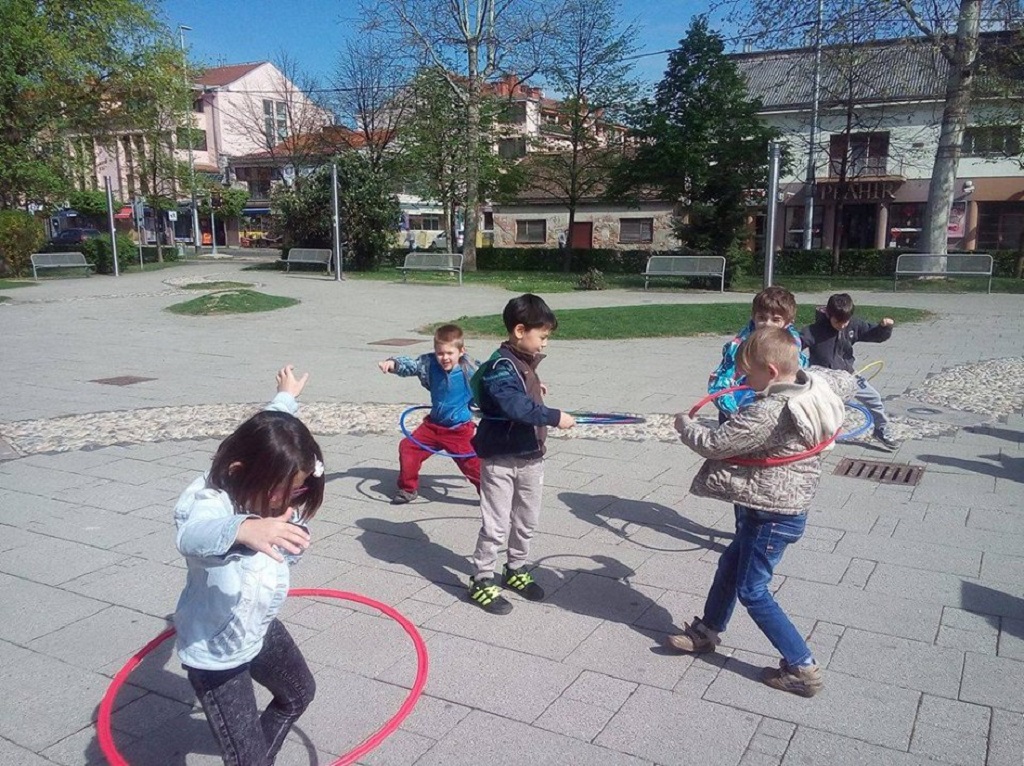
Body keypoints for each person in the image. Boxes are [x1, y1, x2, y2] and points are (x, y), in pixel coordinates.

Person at [670, 328, 857, 697]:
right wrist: (856, 378)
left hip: (774, 513)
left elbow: (716, 443)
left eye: (747, 374)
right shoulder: (816, 381)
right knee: (730, 564)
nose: (742, 381)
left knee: (753, 590)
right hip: (770, 506)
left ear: (771, 372)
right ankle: (708, 630)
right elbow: (847, 380)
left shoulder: (767, 411)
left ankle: (802, 667)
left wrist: (684, 425)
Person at [173, 365, 325, 766]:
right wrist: (244, 529)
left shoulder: (256, 461)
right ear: (243, 473)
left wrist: (285, 397)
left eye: (299, 490)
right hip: (217, 650)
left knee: (299, 693)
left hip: (259, 623)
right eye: (283, 492)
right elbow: (191, 535)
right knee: (248, 760)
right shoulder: (209, 499)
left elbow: (272, 428)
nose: (288, 503)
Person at [467, 294, 575, 614]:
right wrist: (554, 416)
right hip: (501, 459)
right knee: (496, 524)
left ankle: (515, 568)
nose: (545, 344)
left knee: (526, 520)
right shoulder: (501, 366)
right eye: (541, 337)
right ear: (519, 330)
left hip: (531, 457)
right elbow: (512, 405)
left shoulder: (524, 364)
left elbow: (520, 396)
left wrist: (534, 389)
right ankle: (482, 579)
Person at [378, 324, 481, 504]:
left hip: (459, 430)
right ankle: (407, 489)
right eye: (440, 353)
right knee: (408, 447)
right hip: (433, 426)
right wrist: (393, 364)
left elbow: (496, 380)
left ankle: (491, 494)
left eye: (450, 353)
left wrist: (529, 385)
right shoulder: (429, 363)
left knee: (471, 465)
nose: (445, 358)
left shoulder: (471, 370)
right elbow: (411, 365)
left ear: (461, 351)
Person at [800, 292, 899, 450]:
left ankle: (881, 429)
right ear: (828, 314)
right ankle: (813, 435)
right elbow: (795, 344)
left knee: (873, 397)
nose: (842, 325)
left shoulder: (853, 325)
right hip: (822, 378)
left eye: (846, 321)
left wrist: (884, 328)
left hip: (847, 374)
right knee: (820, 408)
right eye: (838, 321)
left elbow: (872, 334)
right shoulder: (814, 330)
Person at [709, 286, 808, 420]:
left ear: (788, 322)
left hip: (775, 410)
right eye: (762, 318)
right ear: (753, 317)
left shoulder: (791, 345)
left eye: (775, 320)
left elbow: (801, 373)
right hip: (739, 409)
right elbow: (720, 382)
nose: (767, 324)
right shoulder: (740, 346)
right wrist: (734, 411)